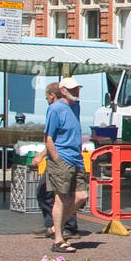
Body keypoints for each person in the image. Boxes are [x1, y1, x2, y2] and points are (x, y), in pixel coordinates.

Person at [44, 76, 85, 252]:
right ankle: (58, 240)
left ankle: (56, 227)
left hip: (76, 158)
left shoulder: (76, 106)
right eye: (72, 89)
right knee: (60, 199)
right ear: (63, 91)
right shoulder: (55, 109)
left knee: (82, 196)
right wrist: (57, 159)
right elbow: (48, 138)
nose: (76, 92)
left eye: (77, 89)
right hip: (62, 158)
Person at [36, 83, 79, 237]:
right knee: (57, 194)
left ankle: (61, 226)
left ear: (53, 96)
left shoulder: (62, 109)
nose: (47, 100)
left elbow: (51, 138)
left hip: (62, 158)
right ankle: (55, 225)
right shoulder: (64, 109)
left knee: (58, 194)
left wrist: (48, 157)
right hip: (62, 158)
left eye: (47, 97)